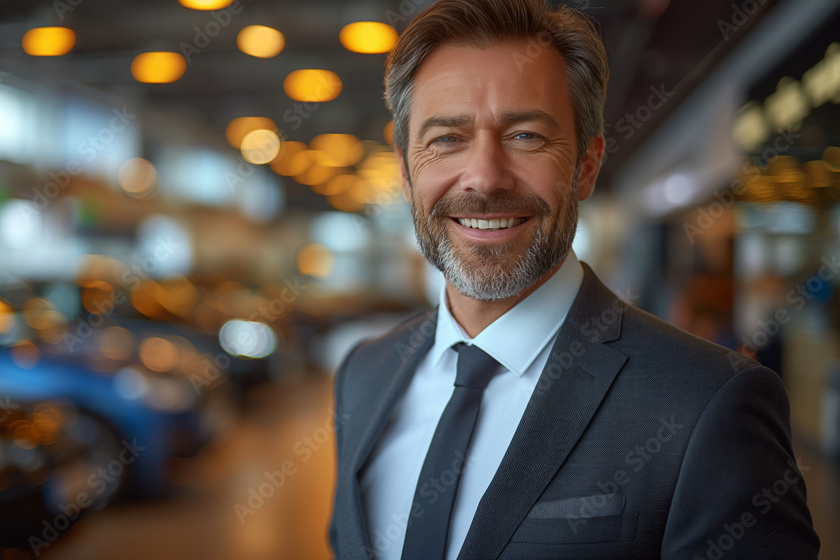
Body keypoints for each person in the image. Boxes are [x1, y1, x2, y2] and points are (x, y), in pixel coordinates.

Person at [327, 0, 820, 558]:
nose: (485, 177)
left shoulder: (708, 405)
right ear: (405, 168)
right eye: (446, 139)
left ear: (586, 165)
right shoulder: (363, 377)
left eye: (526, 136)